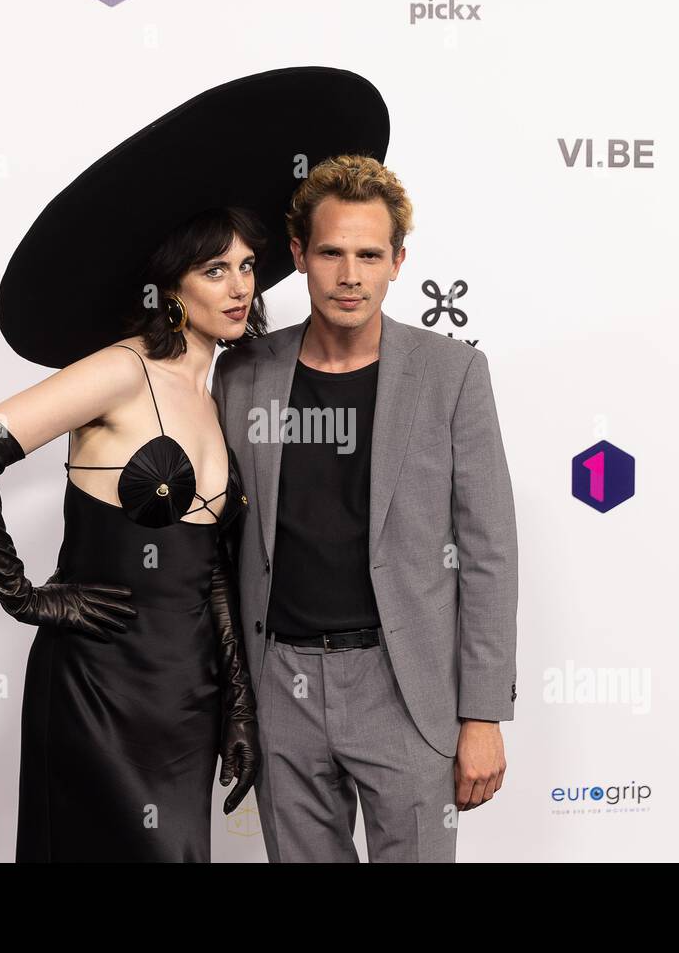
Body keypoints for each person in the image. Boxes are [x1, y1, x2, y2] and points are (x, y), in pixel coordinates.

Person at [0, 69, 392, 862]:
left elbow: (212, 568)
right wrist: (28, 597)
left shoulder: (218, 393)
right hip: (101, 686)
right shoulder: (120, 368)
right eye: (216, 270)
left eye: (248, 266)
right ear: (173, 286)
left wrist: (239, 707)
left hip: (188, 697)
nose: (240, 286)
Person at [211, 154, 519, 862]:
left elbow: (488, 550)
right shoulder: (244, 373)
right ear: (299, 256)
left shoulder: (452, 374)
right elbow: (222, 540)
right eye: (331, 252)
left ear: (397, 262)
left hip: (405, 688)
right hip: (279, 687)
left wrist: (482, 715)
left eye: (369, 254)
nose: (350, 273)